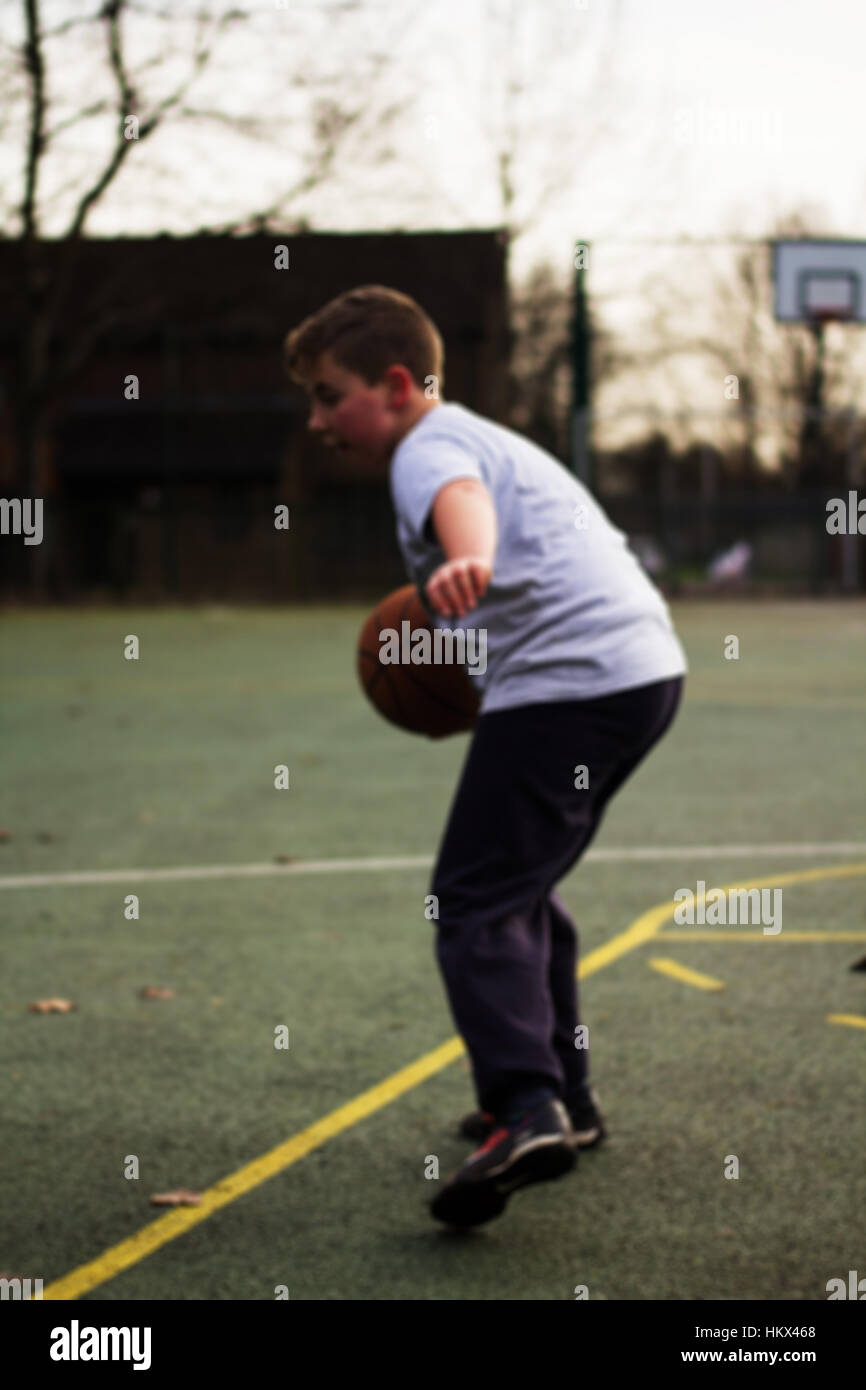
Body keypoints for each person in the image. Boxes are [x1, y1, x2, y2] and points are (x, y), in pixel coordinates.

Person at [285, 285, 687, 1228]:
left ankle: (525, 1106)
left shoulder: (430, 449)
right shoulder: (474, 433)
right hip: (637, 671)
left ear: (394, 385)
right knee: (521, 886)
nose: (315, 420)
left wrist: (468, 560)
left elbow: (464, 510)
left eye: (328, 395)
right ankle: (568, 1102)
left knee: (472, 895)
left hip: (573, 683)